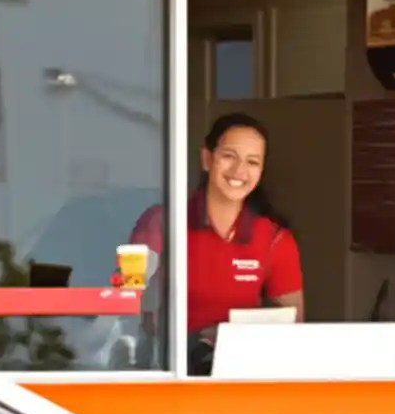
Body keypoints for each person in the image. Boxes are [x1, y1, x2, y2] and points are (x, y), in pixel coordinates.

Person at [128, 112, 305, 375]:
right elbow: (130, 301)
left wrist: (224, 337)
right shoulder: (163, 222)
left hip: (242, 376)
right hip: (165, 371)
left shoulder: (274, 239)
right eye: (229, 156)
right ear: (207, 159)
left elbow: (293, 326)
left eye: (252, 162)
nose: (239, 171)